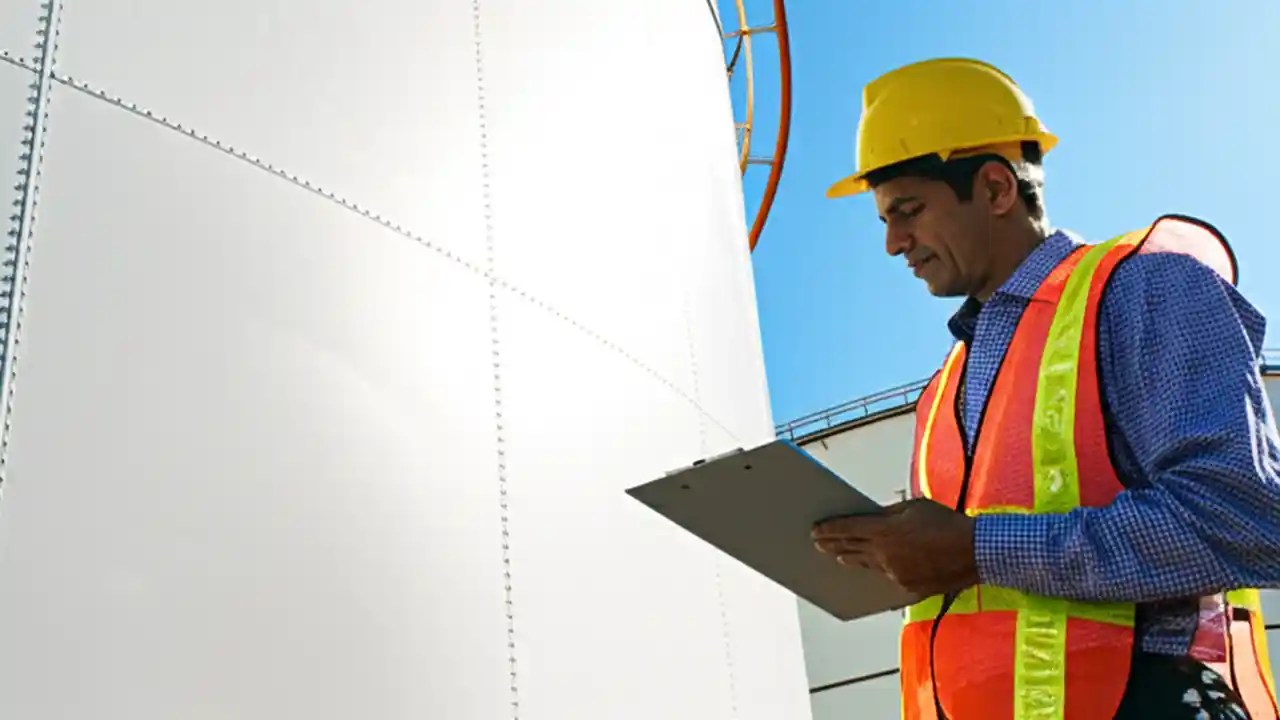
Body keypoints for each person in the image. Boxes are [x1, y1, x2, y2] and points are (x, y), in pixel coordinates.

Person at [810, 57, 1280, 720]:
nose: (893, 243)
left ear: (996, 188)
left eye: (908, 211)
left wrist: (976, 550)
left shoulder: (1142, 287)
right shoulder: (943, 390)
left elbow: (1245, 520)